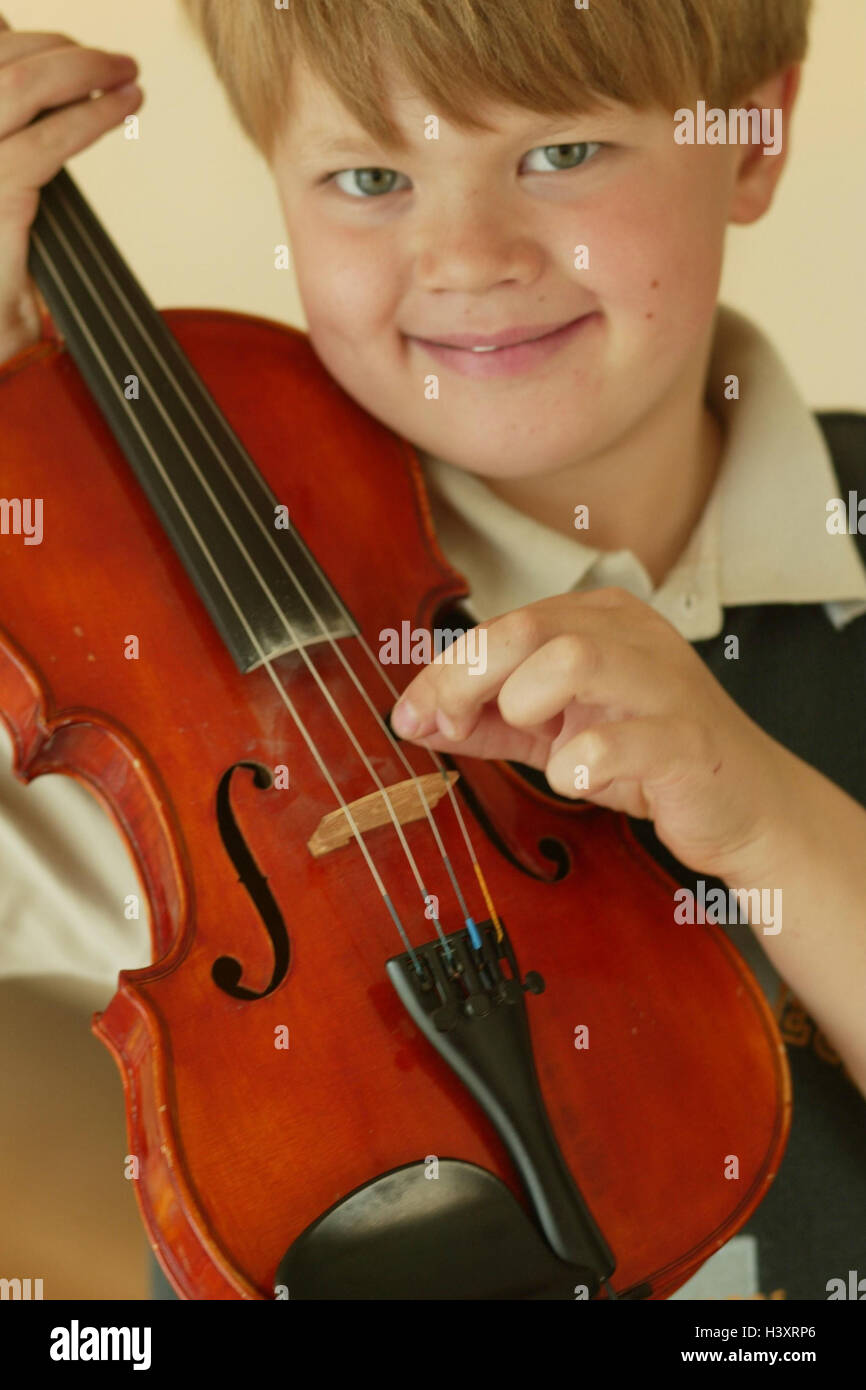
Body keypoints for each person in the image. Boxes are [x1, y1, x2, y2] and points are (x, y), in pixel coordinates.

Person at [1, 0, 864, 1302]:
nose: (465, 256)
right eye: (369, 177)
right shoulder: (117, 633)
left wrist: (771, 820)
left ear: (752, 139)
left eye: (560, 153)